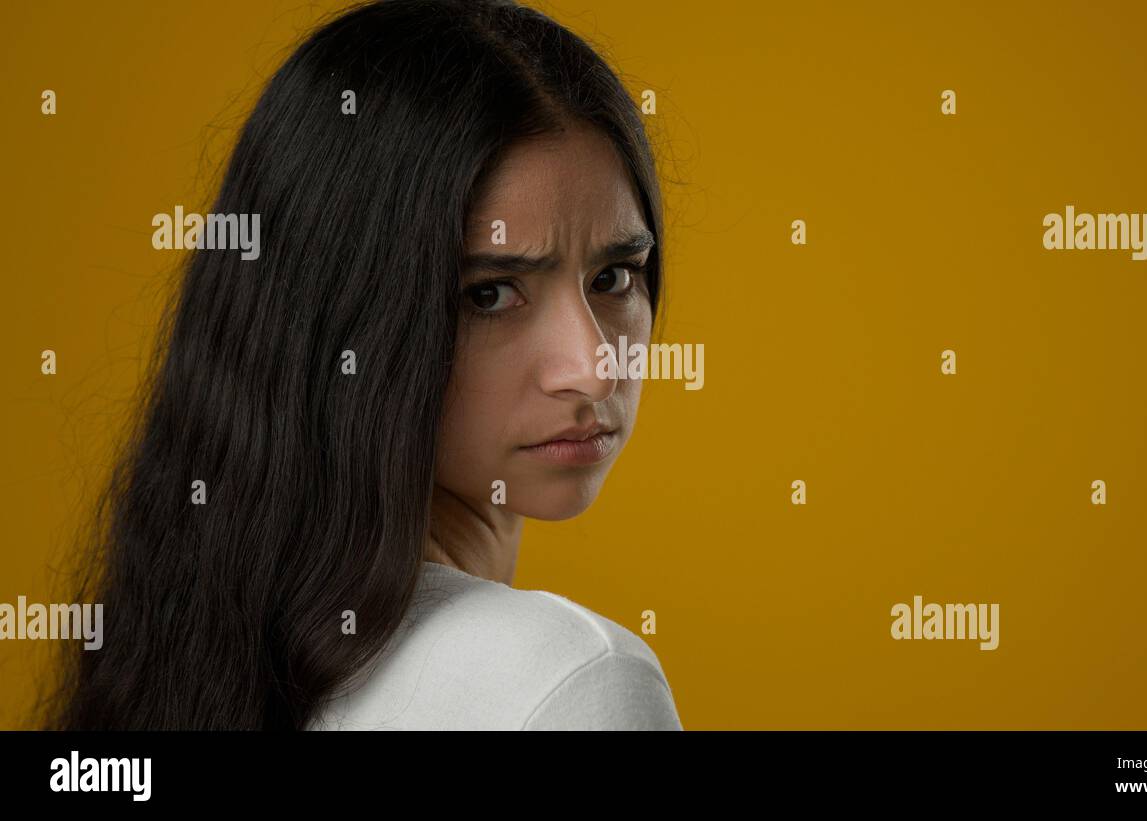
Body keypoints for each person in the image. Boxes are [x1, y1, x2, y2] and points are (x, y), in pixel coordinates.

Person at [43, 0, 681, 731]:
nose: (594, 368)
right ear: (336, 312)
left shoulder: (194, 654)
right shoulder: (569, 679)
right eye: (490, 293)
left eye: (614, 276)